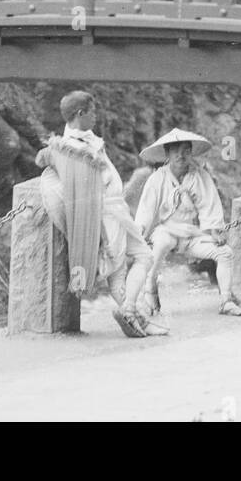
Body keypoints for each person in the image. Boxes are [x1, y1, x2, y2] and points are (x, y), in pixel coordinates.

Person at [35, 91, 164, 338]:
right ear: (80, 114)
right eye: (92, 112)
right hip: (104, 215)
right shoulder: (69, 148)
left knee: (134, 261)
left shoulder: (87, 140)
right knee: (126, 266)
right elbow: (74, 191)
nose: (96, 116)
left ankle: (131, 313)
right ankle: (130, 312)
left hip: (116, 210)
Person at [134, 129, 241, 318]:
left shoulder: (200, 176)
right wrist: (140, 234)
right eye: (175, 151)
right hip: (166, 230)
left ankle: (226, 300)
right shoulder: (157, 179)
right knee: (157, 247)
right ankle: (149, 290)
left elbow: (210, 206)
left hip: (193, 233)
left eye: (186, 150)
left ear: (191, 153)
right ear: (167, 154)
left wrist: (215, 230)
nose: (181, 155)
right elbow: (146, 211)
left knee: (225, 253)